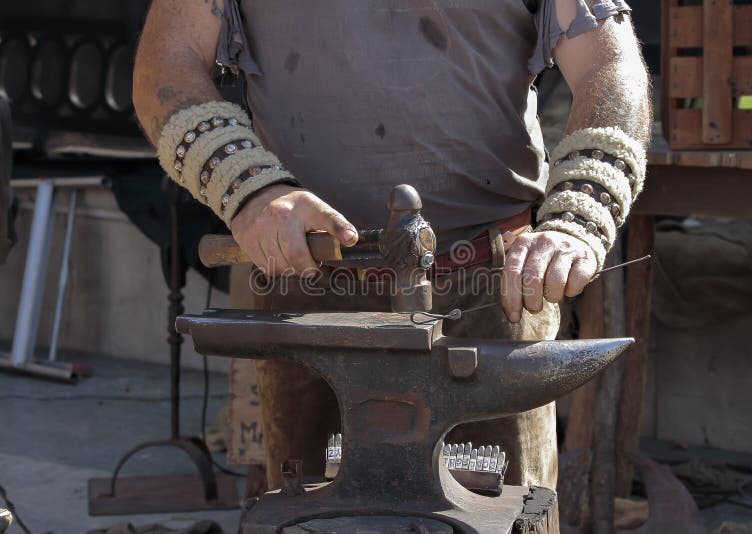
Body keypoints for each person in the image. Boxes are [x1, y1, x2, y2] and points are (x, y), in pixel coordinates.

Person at [133, 0, 652, 491]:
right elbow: (167, 64)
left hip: (492, 291)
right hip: (307, 286)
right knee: (309, 510)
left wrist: (579, 212)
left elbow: (609, 64)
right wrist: (250, 190)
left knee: (508, 507)